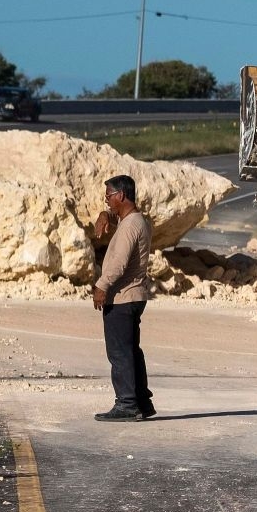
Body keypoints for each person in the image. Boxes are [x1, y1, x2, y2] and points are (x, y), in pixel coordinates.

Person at [91, 174, 156, 422]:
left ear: (120, 195)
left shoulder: (130, 226)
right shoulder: (136, 221)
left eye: (108, 196)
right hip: (133, 296)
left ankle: (127, 404)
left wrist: (102, 286)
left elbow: (118, 263)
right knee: (131, 351)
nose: (106, 200)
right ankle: (141, 401)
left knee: (119, 353)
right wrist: (105, 215)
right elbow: (117, 221)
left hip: (123, 297)